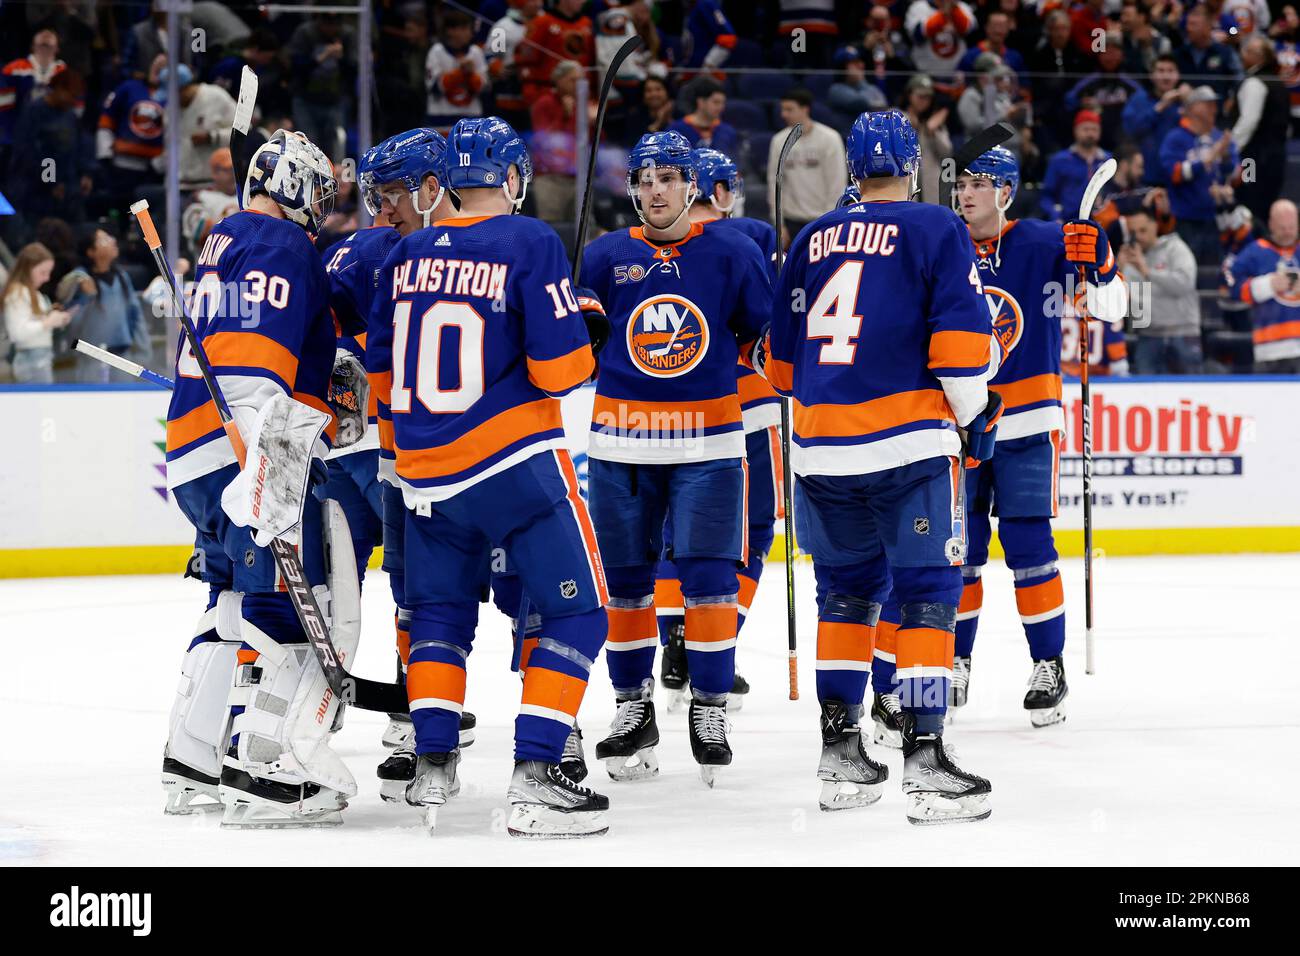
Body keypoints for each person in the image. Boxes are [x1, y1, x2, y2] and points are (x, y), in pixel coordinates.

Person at [366, 117, 611, 837]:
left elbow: (382, 376)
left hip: (421, 474)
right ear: (510, 178)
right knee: (579, 611)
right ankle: (538, 774)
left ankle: (432, 768)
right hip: (510, 465)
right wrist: (582, 325)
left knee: (439, 618)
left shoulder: (405, 253)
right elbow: (561, 373)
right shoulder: (531, 240)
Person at [759, 109, 999, 822]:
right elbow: (959, 350)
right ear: (915, 164)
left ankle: (841, 755)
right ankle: (924, 756)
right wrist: (972, 416)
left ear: (853, 169)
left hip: (821, 448)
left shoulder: (813, 236)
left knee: (845, 597)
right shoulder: (935, 228)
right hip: (905, 444)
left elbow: (778, 366)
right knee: (926, 595)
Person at [160, 129, 352, 826]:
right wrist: (266, 459)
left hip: (192, 455)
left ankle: (193, 757)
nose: (324, 209)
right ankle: (267, 768)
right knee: (289, 607)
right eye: (319, 192)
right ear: (296, 185)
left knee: (227, 600)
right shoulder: (282, 245)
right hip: (248, 451)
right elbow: (247, 371)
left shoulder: (225, 238)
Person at [581, 130, 771, 787]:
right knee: (627, 582)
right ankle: (632, 709)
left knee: (712, 577)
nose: (655, 190)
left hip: (710, 444)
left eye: (668, 177)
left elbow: (759, 333)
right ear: (631, 187)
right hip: (620, 444)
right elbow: (574, 346)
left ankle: (709, 708)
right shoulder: (603, 255)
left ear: (692, 185)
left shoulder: (733, 252)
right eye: (644, 178)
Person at [952, 145, 1126, 728]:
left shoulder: (1046, 241)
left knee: (1028, 547)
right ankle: (954, 660)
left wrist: (1098, 260)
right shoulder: (942, 242)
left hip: (1029, 423)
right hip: (959, 425)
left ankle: (1049, 664)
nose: (966, 192)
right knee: (961, 552)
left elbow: (1114, 308)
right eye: (962, 183)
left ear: (1005, 191)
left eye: (979, 183)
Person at [324, 127, 477, 768]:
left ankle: (412, 710)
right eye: (376, 195)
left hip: (388, 450)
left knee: (396, 587)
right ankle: (409, 712)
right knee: (398, 588)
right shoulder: (376, 251)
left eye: (391, 194)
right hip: (381, 453)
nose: (381, 208)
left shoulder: (371, 251)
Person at [652, 146, 780, 711]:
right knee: (749, 534)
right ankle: (714, 647)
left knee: (671, 535)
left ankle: (672, 641)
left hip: (661, 415)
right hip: (744, 409)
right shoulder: (747, 238)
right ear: (723, 193)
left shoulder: (646, 240)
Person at [1160, 86, 1240, 264]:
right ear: (1191, 108)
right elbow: (1174, 173)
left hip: (1218, 219)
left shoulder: (1222, 138)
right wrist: (1208, 159)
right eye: (1207, 104)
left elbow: (1239, 176)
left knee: (1216, 273)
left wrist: (1225, 158)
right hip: (1185, 219)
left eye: (1214, 104)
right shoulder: (1176, 138)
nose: (1214, 108)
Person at [1120, 207, 1202, 373]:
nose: (1139, 237)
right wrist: (1118, 272)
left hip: (1182, 333)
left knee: (1190, 391)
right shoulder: (1130, 260)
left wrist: (1148, 272)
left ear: (1155, 226)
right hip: (1148, 336)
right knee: (1146, 394)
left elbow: (1184, 284)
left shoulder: (1176, 249)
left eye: (1143, 230)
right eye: (1134, 232)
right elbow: (1127, 307)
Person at [64, 227, 147, 382]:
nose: (112, 241)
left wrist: (143, 349)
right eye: (103, 239)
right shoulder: (79, 279)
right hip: (91, 358)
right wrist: (86, 298)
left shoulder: (122, 277)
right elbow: (70, 323)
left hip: (123, 357)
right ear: (90, 252)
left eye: (110, 237)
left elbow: (135, 315)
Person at [1226, 198, 1300, 372]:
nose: (1288, 232)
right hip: (1269, 350)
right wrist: (1266, 285)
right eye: (1282, 228)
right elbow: (1230, 285)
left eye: (1292, 227)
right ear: (1271, 224)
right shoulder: (1255, 251)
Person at [767, 88, 847, 247]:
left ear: (805, 109)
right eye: (783, 109)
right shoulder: (779, 140)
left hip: (822, 220)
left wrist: (830, 222)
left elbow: (837, 184)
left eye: (789, 109)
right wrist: (779, 225)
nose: (784, 114)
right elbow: (774, 185)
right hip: (791, 221)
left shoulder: (830, 139)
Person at [1233, 36, 1291, 222]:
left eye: (1247, 51)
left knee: (1250, 198)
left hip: (1252, 158)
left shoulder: (1255, 83)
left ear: (1259, 57)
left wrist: (1230, 148)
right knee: (1265, 200)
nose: (1242, 55)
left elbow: (1248, 122)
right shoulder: (1278, 83)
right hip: (1276, 157)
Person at [529, 59, 593, 223]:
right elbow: (544, 141)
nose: (577, 84)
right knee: (551, 225)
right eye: (573, 80)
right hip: (550, 179)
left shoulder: (583, 105)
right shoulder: (544, 104)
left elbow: (592, 141)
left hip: (578, 178)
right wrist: (563, 115)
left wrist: (596, 122)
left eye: (580, 80)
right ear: (558, 80)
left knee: (584, 226)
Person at [157, 64, 236, 194]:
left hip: (213, 185)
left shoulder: (215, 96)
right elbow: (168, 145)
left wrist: (211, 137)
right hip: (179, 185)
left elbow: (244, 132)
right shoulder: (170, 110)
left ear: (184, 88)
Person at [1, 242, 70, 383]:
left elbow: (35, 324)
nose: (47, 278)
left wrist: (54, 319)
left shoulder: (34, 294)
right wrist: (47, 322)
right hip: (31, 360)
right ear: (28, 268)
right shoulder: (18, 293)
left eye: (48, 272)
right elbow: (18, 333)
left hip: (40, 357)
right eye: (42, 272)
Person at [1121, 55, 1189, 187]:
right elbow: (1130, 131)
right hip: (1145, 177)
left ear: (1178, 75)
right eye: (1161, 71)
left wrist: (1189, 103)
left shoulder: (1186, 102)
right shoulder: (1139, 100)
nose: (1166, 76)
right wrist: (1159, 107)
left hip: (1179, 176)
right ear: (1152, 76)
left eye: (1170, 71)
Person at [1039, 110, 1111, 222]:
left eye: (1094, 129)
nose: (1090, 134)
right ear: (1076, 130)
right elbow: (1046, 195)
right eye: (1086, 129)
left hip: (1101, 221)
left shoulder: (1108, 160)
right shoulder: (1060, 160)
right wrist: (1055, 216)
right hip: (1068, 222)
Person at [426, 10, 489, 128]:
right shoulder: (437, 51)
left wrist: (471, 75)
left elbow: (484, 89)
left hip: (471, 120)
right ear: (451, 31)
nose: (470, 33)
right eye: (465, 29)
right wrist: (460, 73)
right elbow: (434, 88)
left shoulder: (476, 52)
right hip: (441, 120)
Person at [902, 73, 951, 205]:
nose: (924, 101)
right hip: (905, 185)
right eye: (920, 96)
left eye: (928, 97)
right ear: (909, 95)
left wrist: (931, 130)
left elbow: (947, 154)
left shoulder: (934, 123)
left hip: (931, 186)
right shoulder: (897, 117)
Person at [667, 76, 738, 155]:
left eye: (723, 103)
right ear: (701, 102)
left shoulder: (728, 131)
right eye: (716, 102)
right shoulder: (676, 130)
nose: (721, 107)